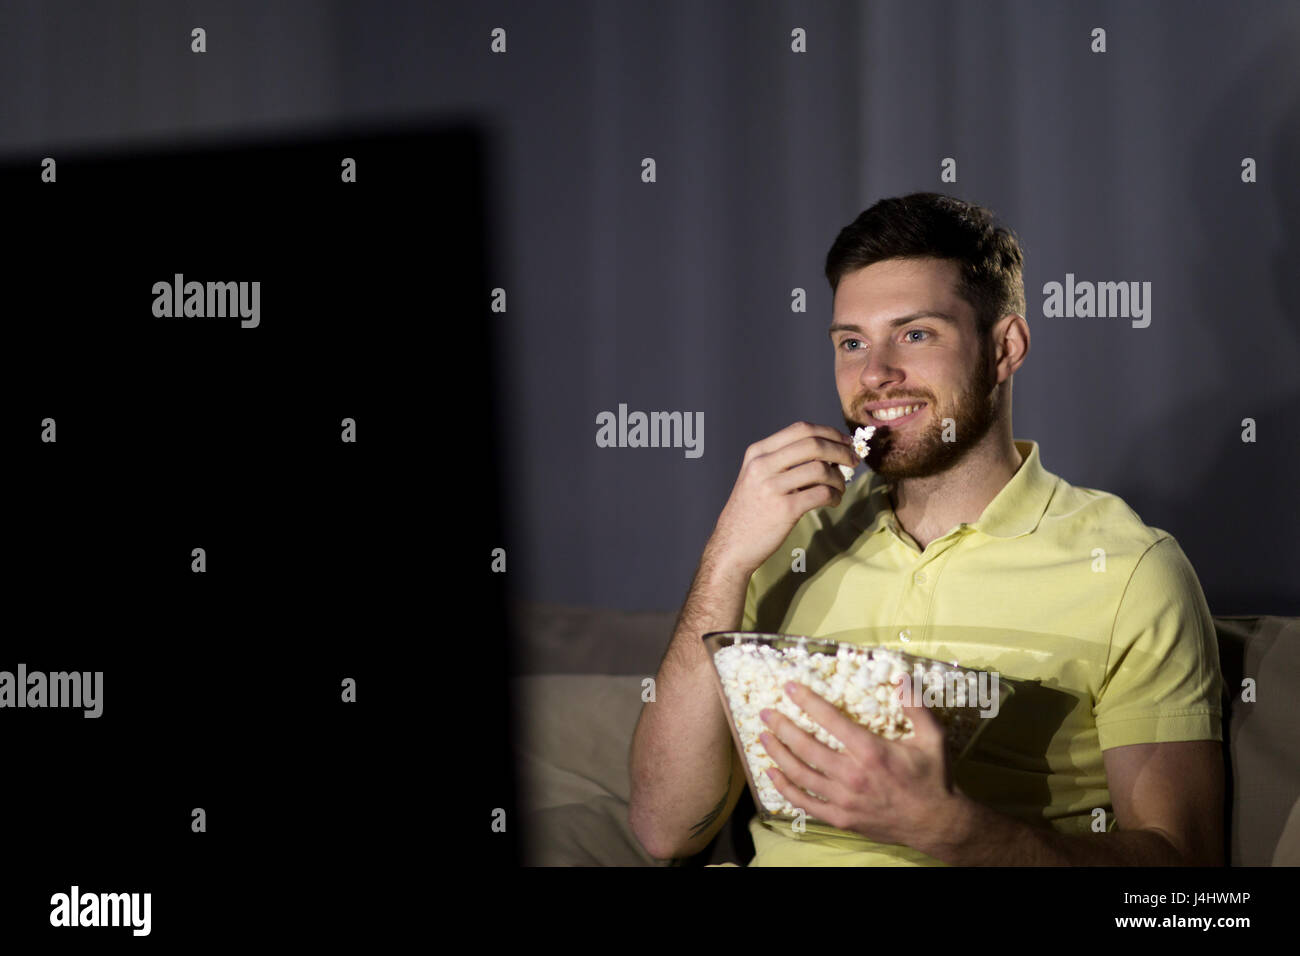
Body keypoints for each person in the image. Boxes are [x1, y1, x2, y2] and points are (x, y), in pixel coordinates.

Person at [627, 192, 1225, 866]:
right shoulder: (788, 545)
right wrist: (726, 558)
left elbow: (1184, 875)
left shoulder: (1129, 567)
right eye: (851, 342)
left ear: (1005, 348)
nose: (874, 374)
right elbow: (663, 830)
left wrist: (953, 832)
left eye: (915, 334)